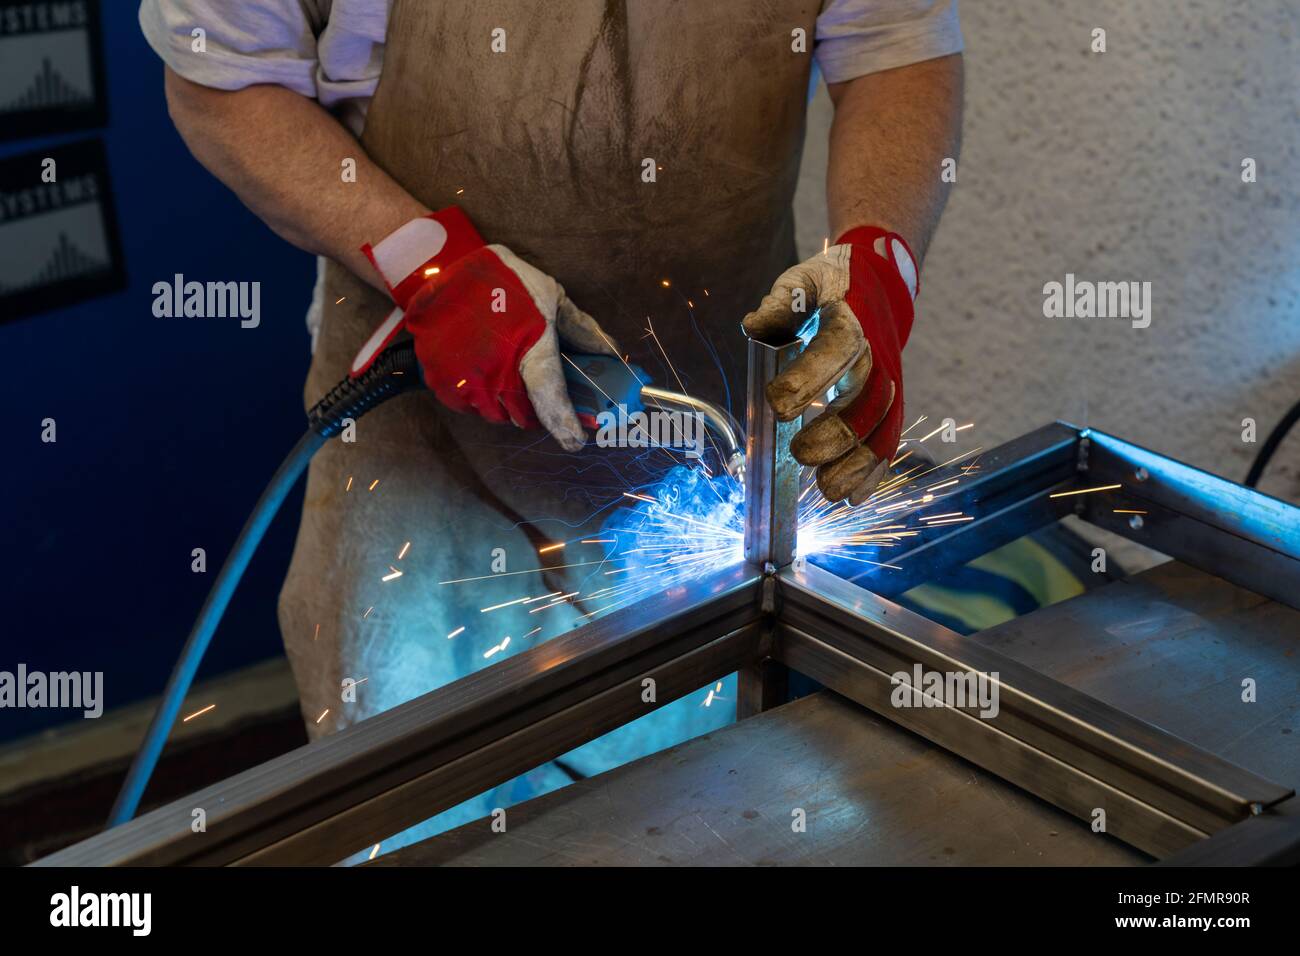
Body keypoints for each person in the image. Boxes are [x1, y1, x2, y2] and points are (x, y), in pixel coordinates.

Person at [139, 0, 964, 829]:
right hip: (421, 454)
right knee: (409, 807)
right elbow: (224, 82)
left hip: (708, 450)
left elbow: (896, 51)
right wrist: (423, 265)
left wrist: (881, 261)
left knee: (700, 814)